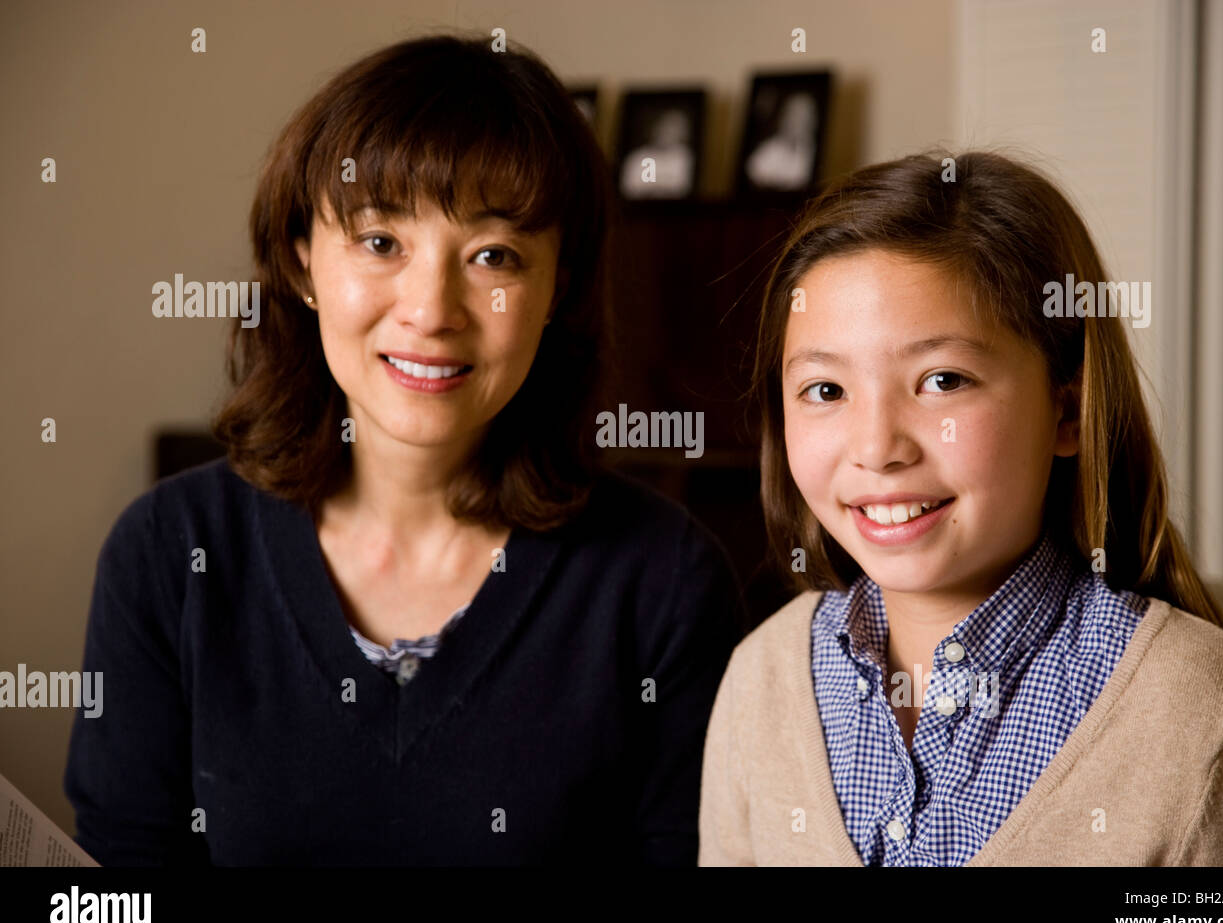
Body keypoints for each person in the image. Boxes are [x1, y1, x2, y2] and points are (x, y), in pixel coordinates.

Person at [64, 33, 745, 866]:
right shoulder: (169, 553)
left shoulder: (664, 581)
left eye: (494, 256)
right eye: (381, 241)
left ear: (555, 288)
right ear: (300, 258)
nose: (431, 309)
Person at [699, 150, 1223, 866]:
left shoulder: (1212, 718)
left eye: (943, 380)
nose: (877, 447)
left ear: (1067, 409)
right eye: (826, 390)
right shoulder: (760, 679)